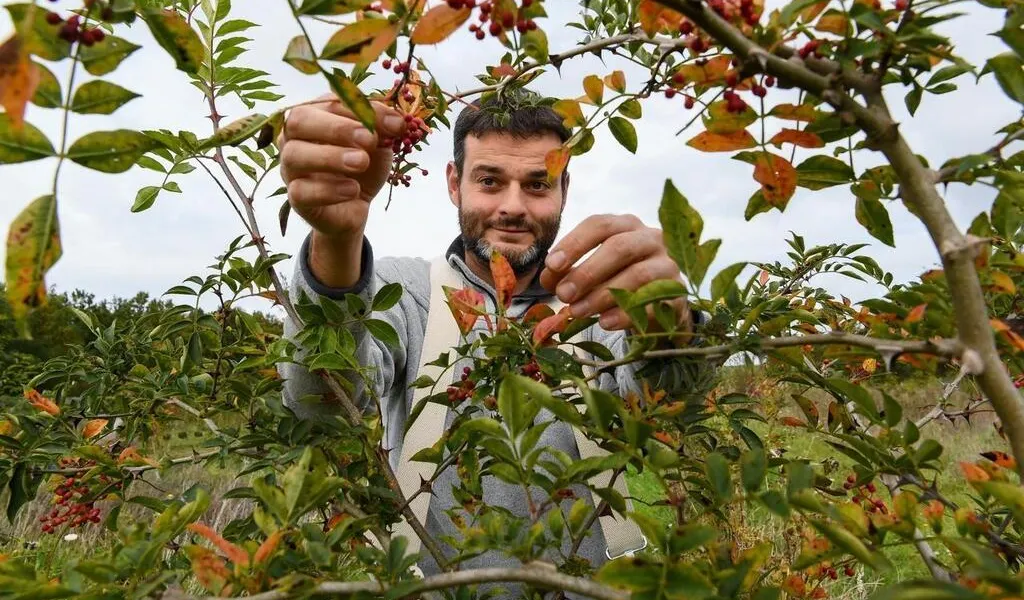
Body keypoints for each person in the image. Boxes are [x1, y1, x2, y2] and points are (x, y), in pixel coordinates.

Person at [275, 88, 704, 589]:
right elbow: (324, 406)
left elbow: (669, 397)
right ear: (454, 184)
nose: (513, 207)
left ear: (565, 187)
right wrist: (336, 242)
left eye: (538, 184)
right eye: (490, 181)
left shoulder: (598, 305)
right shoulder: (402, 292)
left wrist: (671, 332)